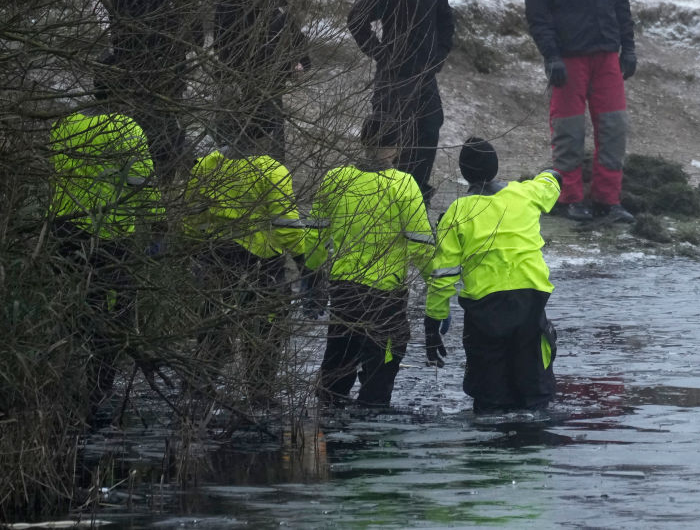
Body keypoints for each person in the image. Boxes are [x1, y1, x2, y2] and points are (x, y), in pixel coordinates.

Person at [48, 90, 163, 426]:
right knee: (117, 314)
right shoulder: (125, 128)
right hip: (109, 236)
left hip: (64, 232)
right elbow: (140, 183)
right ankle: (100, 389)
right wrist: (159, 224)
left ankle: (66, 381)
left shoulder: (64, 125)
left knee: (78, 307)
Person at [305, 113, 435, 408]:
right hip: (384, 298)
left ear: (362, 141)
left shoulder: (336, 179)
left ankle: (329, 430)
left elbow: (314, 235)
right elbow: (421, 247)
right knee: (381, 370)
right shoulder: (404, 185)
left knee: (338, 363)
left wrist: (311, 276)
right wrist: (436, 284)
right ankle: (369, 429)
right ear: (397, 148)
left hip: (343, 292)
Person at [525, 0, 638, 223]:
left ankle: (608, 199)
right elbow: (538, 15)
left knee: (614, 128)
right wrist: (551, 57)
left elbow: (621, 5)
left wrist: (628, 48)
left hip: (606, 57)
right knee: (569, 132)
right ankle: (571, 197)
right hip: (568, 59)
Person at [425, 137, 561, 414]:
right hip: (531, 300)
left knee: (489, 399)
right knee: (535, 394)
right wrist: (550, 173)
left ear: (464, 174)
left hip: (485, 310)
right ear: (497, 167)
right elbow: (553, 180)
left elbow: (443, 275)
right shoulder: (526, 193)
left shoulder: (457, 213)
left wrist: (433, 323)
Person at [183, 135, 309, 409]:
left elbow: (192, 216)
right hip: (261, 264)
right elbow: (286, 224)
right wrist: (303, 262)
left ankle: (199, 387)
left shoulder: (206, 165)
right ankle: (259, 394)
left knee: (212, 324)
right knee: (266, 331)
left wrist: (195, 245)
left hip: (215, 256)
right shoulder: (271, 169)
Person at [346, 0, 455, 206]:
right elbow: (357, 18)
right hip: (393, 77)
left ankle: (416, 190)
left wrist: (438, 59)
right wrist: (380, 53)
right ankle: (385, 193)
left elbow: (446, 27)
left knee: (429, 127)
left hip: (425, 76)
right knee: (390, 133)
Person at [99, 0, 204, 184]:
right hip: (136, 86)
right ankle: (145, 196)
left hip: (172, 85)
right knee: (140, 146)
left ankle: (164, 195)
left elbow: (196, 39)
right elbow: (122, 39)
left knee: (167, 147)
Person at [213, 0, 311, 162]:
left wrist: (301, 61)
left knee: (272, 163)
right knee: (240, 159)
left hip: (271, 91)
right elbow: (239, 50)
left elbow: (293, 36)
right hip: (242, 92)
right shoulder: (234, 0)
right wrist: (287, 65)